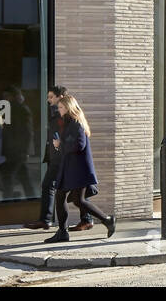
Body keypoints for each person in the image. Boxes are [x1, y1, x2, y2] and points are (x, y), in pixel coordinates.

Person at [45, 94, 115, 243]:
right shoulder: (69, 123)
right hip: (71, 168)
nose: (59, 110)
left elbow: (79, 145)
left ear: (69, 108)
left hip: (78, 170)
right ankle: (64, 232)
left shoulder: (76, 124)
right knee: (69, 198)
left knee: (76, 200)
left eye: (62, 107)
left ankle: (107, 220)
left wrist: (60, 145)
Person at [26, 86, 91, 231]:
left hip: (63, 158)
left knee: (72, 192)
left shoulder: (66, 116)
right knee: (57, 189)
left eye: (51, 97)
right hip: (57, 157)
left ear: (60, 97)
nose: (48, 100)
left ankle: (60, 224)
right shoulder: (57, 114)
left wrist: (59, 148)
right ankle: (49, 221)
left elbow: (71, 139)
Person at [0, 85, 35, 200]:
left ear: (13, 96)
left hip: (18, 150)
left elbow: (27, 132)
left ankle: (7, 199)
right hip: (14, 149)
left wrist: (25, 151)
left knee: (8, 175)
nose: (4, 98)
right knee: (24, 177)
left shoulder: (21, 109)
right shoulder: (10, 108)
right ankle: (32, 199)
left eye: (6, 96)